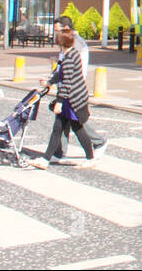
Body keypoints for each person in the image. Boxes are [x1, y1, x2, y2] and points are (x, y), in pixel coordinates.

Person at [29, 19, 97, 169]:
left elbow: (66, 82)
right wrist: (48, 83)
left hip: (72, 100)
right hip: (72, 98)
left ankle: (90, 158)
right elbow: (60, 73)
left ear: (61, 43)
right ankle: (45, 160)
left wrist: (59, 101)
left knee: (77, 129)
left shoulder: (69, 59)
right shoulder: (71, 54)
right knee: (58, 129)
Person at [56, 21, 106, 159]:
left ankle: (98, 142)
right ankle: (59, 152)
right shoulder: (68, 43)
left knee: (77, 121)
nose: (55, 33)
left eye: (57, 30)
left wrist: (60, 98)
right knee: (63, 121)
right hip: (68, 87)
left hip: (73, 89)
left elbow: (70, 70)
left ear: (65, 29)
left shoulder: (75, 45)